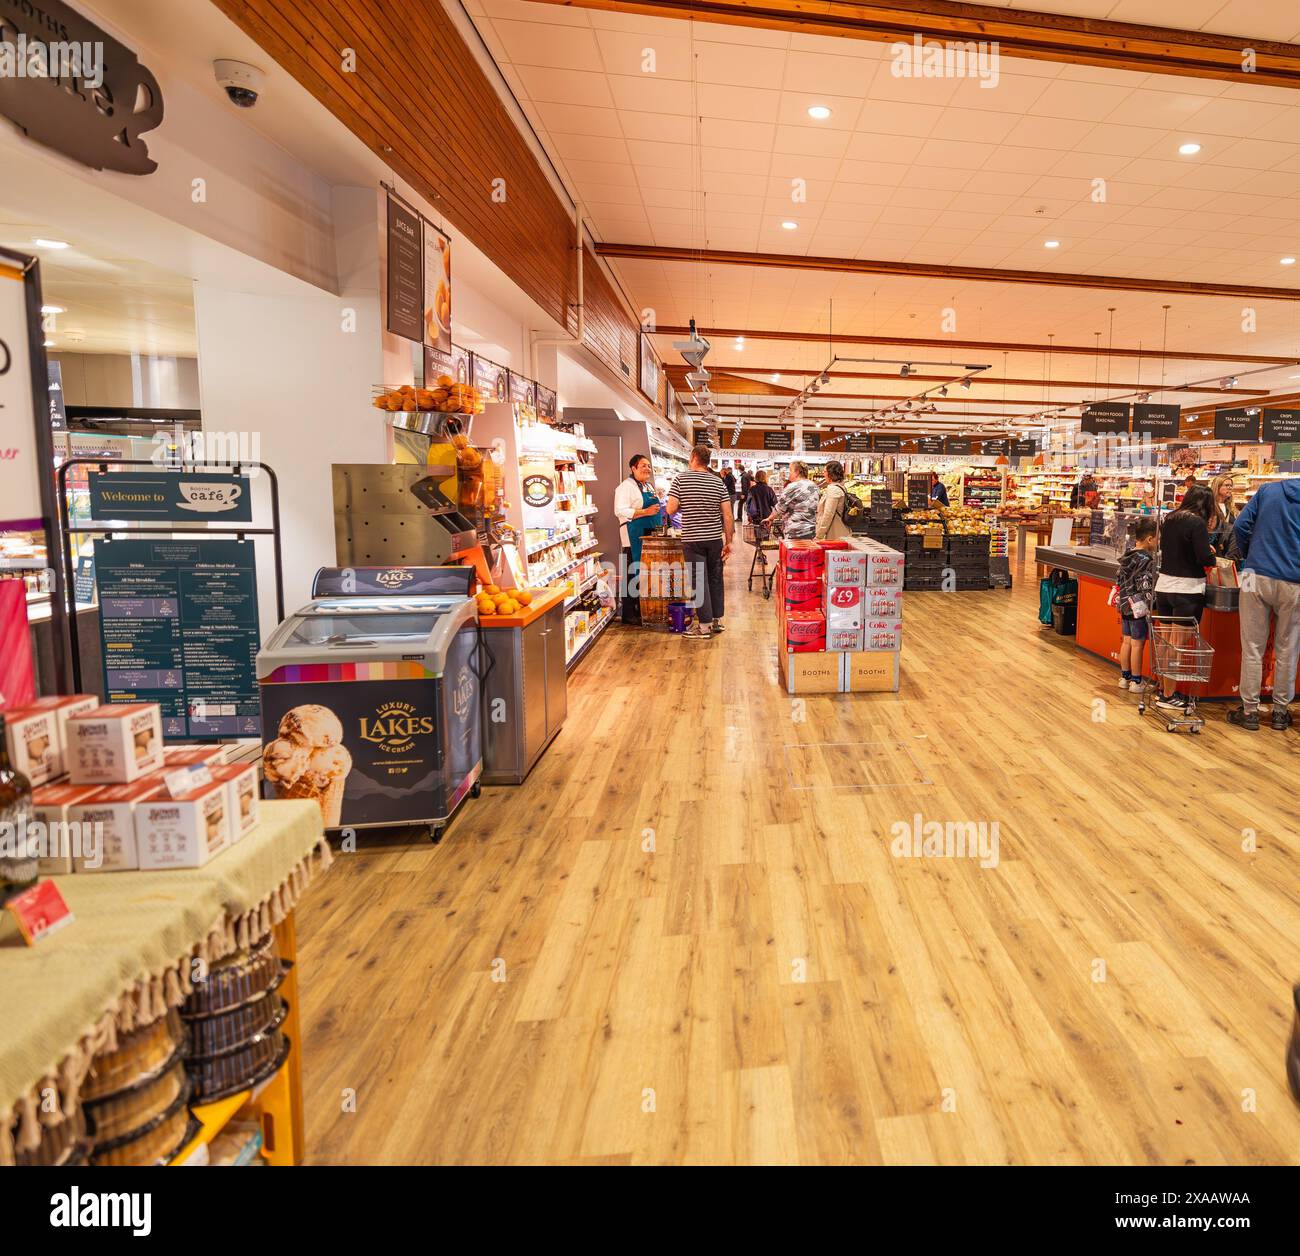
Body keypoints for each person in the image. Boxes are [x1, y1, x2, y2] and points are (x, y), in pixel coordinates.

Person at [1227, 475, 1300, 732]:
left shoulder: (1268, 490)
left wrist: (1251, 554)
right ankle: (1280, 713)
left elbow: (1240, 526)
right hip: (1294, 581)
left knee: (1253, 647)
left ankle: (1250, 712)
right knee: (1288, 649)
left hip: (1255, 576)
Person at [1153, 485, 1217, 713]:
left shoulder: (1169, 518)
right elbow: (1203, 557)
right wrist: (1212, 554)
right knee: (1177, 645)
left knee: (1165, 641)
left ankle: (1162, 688)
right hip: (1187, 590)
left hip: (1164, 586)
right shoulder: (1196, 523)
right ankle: (1169, 695)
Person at [667, 445, 734, 640]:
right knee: (715, 578)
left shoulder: (681, 479)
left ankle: (704, 628)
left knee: (699, 581)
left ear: (693, 457)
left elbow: (671, 509)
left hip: (693, 539)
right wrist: (728, 541)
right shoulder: (717, 482)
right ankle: (716, 620)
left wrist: (687, 507)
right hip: (714, 538)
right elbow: (728, 515)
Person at [612, 453, 662, 626]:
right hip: (633, 536)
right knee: (631, 573)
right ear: (633, 468)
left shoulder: (647, 485)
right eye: (643, 465)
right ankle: (628, 613)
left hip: (648, 533)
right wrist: (645, 512)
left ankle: (642, 608)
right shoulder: (625, 487)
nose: (647, 468)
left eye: (649, 465)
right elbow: (620, 510)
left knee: (644, 573)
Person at [1115, 517, 1157, 691]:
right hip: (1138, 607)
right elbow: (1145, 586)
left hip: (1124, 604)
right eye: (1157, 538)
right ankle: (1137, 681)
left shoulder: (1127, 555)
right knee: (1137, 644)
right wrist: (1152, 605)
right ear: (1149, 539)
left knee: (1126, 642)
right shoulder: (1146, 560)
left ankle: (1125, 678)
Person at [766, 461, 819, 539]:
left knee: (795, 551)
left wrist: (769, 518)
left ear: (797, 472)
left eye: (790, 470)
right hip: (811, 529)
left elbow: (780, 507)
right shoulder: (813, 486)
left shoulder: (793, 486)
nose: (789, 473)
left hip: (795, 530)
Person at [815, 460, 853, 541]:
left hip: (834, 533)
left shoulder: (833, 490)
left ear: (831, 473)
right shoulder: (840, 487)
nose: (823, 474)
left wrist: (819, 535)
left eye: (825, 471)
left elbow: (828, 514)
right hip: (840, 531)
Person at [1208, 472, 1240, 559]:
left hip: (1229, 547)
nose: (1230, 488)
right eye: (1226, 485)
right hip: (1214, 548)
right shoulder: (1209, 506)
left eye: (1231, 485)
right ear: (1217, 486)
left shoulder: (1232, 509)